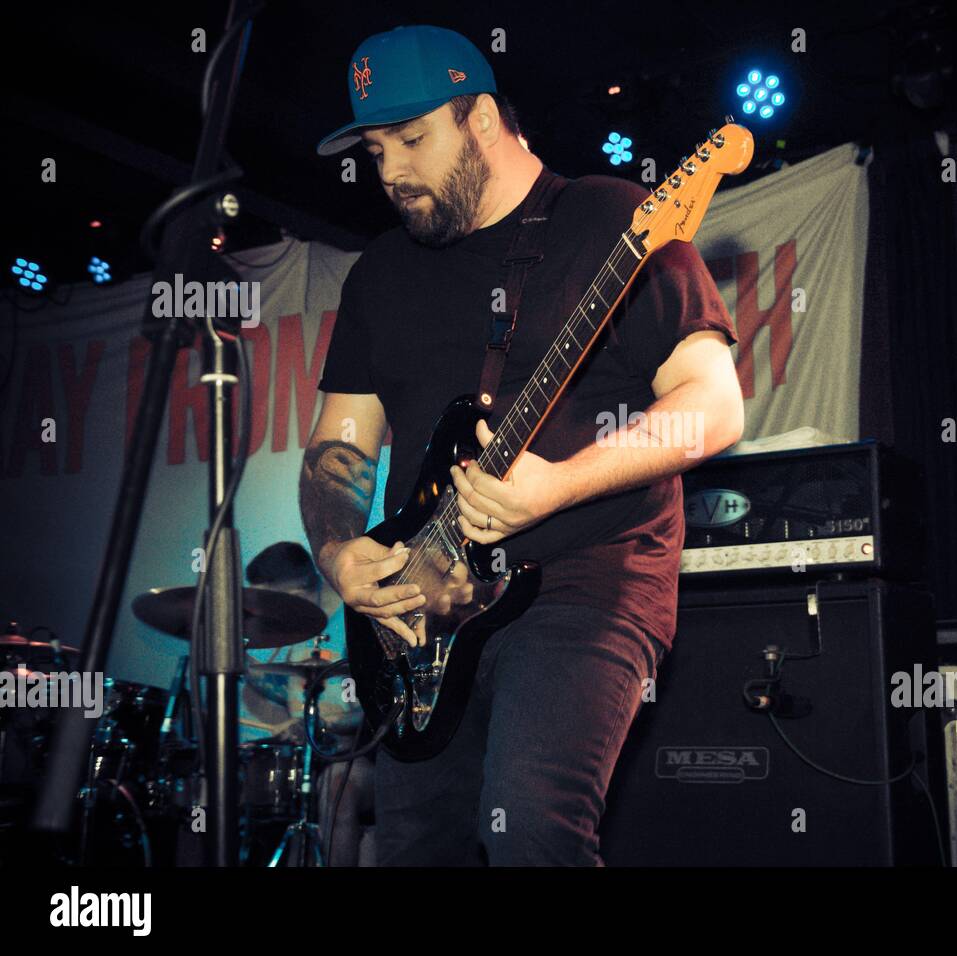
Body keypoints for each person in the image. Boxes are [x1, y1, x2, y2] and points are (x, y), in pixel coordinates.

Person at [300, 25, 744, 866]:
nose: (389, 171)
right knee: (409, 850)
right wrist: (336, 551)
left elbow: (713, 408)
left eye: (410, 138)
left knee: (533, 825)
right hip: (424, 615)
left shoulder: (615, 220)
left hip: (589, 580)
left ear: (481, 120)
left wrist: (558, 485)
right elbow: (338, 447)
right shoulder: (379, 275)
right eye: (373, 147)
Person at [243, 542, 376, 867]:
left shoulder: (356, 620)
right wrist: (242, 667)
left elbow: (375, 710)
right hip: (312, 756)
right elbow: (299, 687)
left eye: (271, 600)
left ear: (299, 591)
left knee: (335, 788)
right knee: (226, 776)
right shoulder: (298, 628)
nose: (266, 612)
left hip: (362, 758)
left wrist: (319, 728)